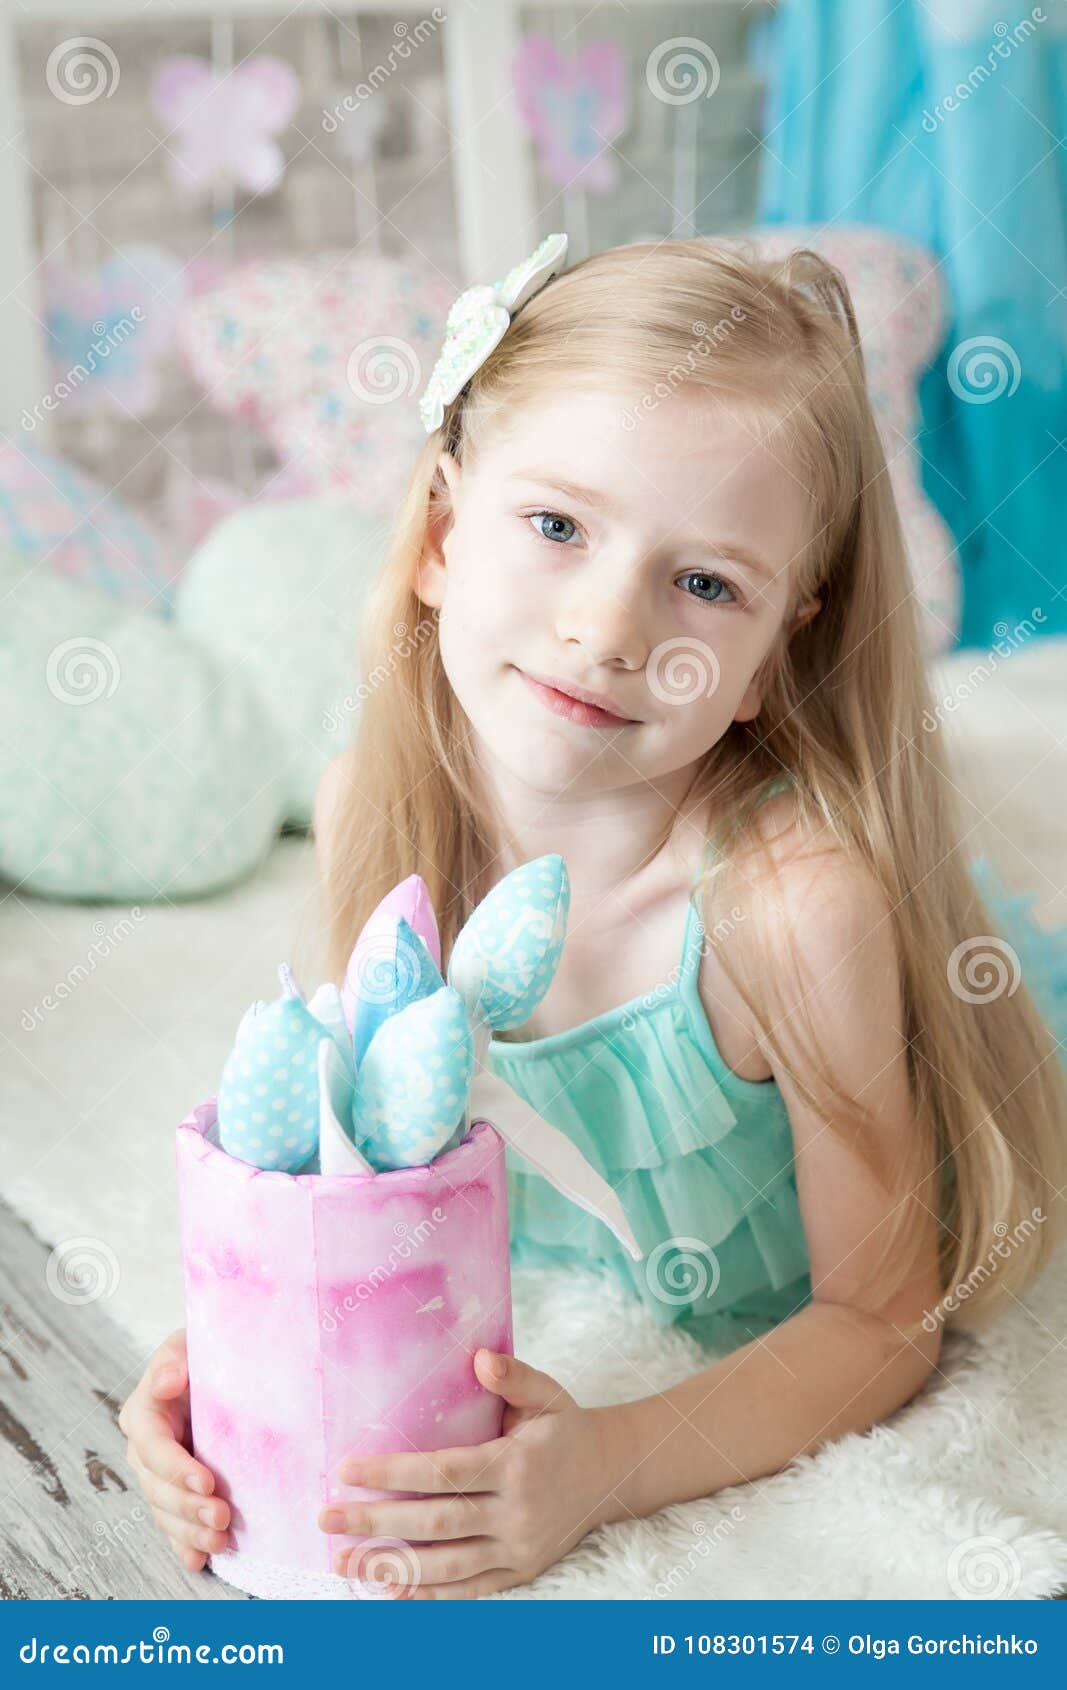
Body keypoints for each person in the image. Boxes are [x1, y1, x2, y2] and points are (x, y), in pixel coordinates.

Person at [120, 233, 1067, 1598]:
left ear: (769, 658)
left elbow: (883, 1320)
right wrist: (227, 1371)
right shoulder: (372, 817)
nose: (611, 629)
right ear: (441, 535)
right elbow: (360, 1162)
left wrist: (609, 1463)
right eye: (558, 526)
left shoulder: (795, 916)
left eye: (706, 583)